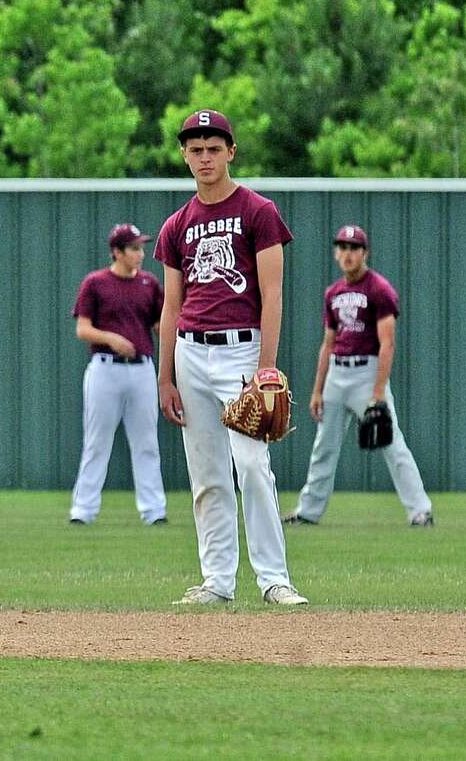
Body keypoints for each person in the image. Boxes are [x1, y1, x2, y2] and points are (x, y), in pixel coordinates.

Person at [154, 110, 308, 606]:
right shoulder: (177, 224)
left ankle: (273, 579)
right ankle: (217, 582)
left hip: (242, 349)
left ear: (231, 152)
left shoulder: (258, 211)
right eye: (195, 148)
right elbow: (171, 306)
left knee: (252, 465)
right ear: (184, 154)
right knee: (206, 475)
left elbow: (272, 293)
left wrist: (266, 365)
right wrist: (165, 377)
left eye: (213, 148)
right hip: (191, 352)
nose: (204, 157)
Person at [282, 224, 433, 527]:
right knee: (324, 446)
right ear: (336, 253)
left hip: (367, 373)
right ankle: (308, 511)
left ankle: (420, 510)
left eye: (354, 248)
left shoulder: (379, 289)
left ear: (365, 253)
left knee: (392, 443)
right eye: (343, 247)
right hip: (337, 372)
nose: (348, 254)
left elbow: (387, 343)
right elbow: (327, 343)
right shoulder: (333, 293)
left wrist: (378, 391)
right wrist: (316, 390)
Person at [68, 223, 168, 526]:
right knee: (97, 441)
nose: (140, 254)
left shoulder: (150, 284)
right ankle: (82, 512)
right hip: (105, 368)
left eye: (141, 248)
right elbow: (82, 329)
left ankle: (154, 511)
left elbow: (160, 328)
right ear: (117, 251)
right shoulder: (96, 283)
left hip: (141, 370)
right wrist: (111, 338)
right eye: (134, 248)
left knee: (147, 442)